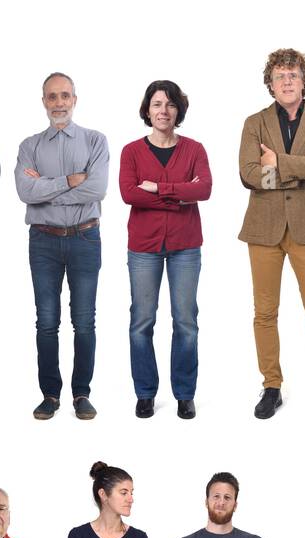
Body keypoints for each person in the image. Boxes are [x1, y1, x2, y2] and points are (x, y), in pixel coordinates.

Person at [237, 48, 305, 422]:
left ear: (303, 81)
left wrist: (277, 162)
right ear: (270, 83)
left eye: (293, 75)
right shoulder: (255, 123)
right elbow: (250, 174)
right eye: (280, 76)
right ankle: (271, 385)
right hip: (263, 229)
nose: (287, 81)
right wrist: (303, 165)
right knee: (265, 313)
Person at [15, 72, 110, 421]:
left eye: (65, 96)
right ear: (43, 101)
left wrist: (48, 188)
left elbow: (97, 189)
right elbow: (25, 193)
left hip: (86, 238)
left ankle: (81, 393)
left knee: (84, 321)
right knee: (46, 322)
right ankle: (50, 395)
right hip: (43, 240)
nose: (59, 103)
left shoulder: (95, 140)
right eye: (52, 97)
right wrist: (71, 180)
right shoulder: (30, 146)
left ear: (75, 99)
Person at [119, 80, 212, 419]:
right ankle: (145, 392)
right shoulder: (131, 151)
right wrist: (179, 196)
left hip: (186, 246)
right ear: (147, 110)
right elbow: (129, 194)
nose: (163, 110)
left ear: (178, 111)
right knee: (141, 321)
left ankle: (184, 394)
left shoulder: (195, 149)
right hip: (143, 247)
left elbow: (204, 190)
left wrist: (158, 189)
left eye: (170, 104)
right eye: (157, 104)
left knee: (186, 321)